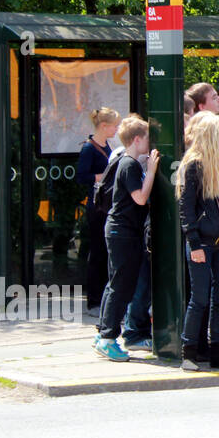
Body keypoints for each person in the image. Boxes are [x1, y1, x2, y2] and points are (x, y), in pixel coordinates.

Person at [177, 113, 219, 370]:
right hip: (202, 242)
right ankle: (189, 352)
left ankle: (218, 352)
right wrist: (193, 242)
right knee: (200, 298)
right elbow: (186, 209)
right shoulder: (194, 165)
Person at [92, 115, 159, 363]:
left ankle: (103, 333)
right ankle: (109, 338)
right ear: (137, 139)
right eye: (148, 140)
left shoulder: (126, 161)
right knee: (122, 285)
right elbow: (140, 198)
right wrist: (151, 171)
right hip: (123, 232)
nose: (150, 146)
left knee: (115, 284)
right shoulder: (130, 164)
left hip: (120, 230)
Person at [76, 106, 120, 313]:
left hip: (105, 203)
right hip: (96, 205)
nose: (117, 130)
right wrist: (103, 176)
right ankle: (93, 299)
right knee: (97, 251)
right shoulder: (88, 148)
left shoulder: (107, 145)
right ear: (103, 126)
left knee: (105, 251)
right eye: (114, 126)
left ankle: (103, 296)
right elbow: (81, 176)